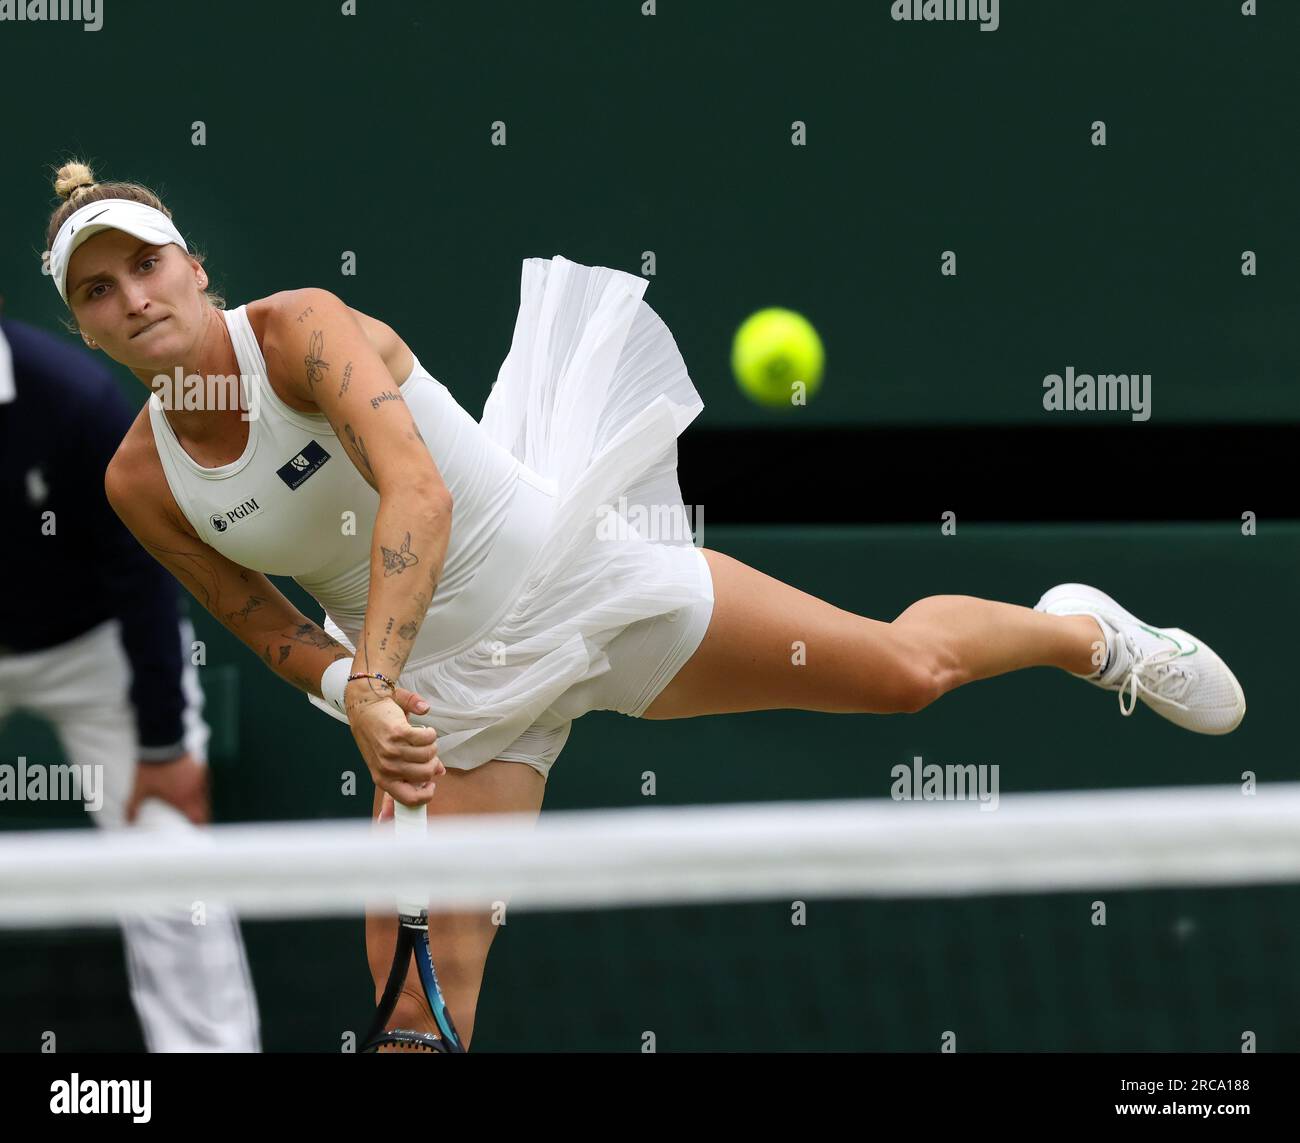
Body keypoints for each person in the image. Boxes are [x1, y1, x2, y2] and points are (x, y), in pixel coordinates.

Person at [43, 159, 1244, 1050]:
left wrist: (367, 673)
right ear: (81, 325)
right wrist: (339, 689)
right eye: (98, 290)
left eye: (146, 264)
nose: (133, 297)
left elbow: (415, 490)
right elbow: (254, 615)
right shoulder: (138, 479)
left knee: (903, 676)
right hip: (453, 707)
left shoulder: (302, 328)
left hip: (580, 582)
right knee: (415, 1020)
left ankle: (1091, 636)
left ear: (193, 263)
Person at [0, 304, 260, 1052]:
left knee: (168, 855)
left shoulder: (73, 398)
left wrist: (163, 744)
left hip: (96, 648)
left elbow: (141, 573)